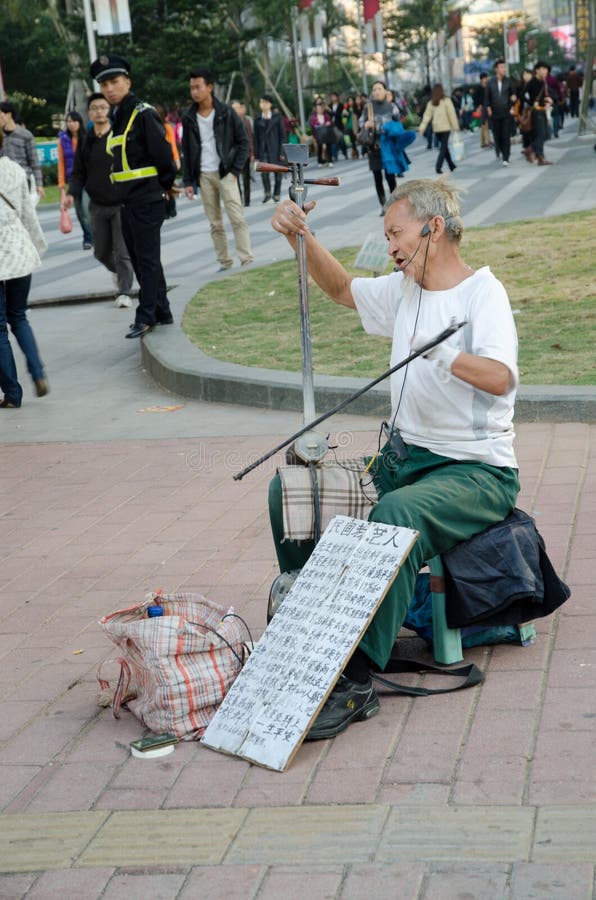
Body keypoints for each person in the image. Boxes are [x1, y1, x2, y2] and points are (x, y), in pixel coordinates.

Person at [268, 177, 519, 740]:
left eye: (396, 234)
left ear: (434, 228)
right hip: (404, 459)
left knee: (396, 516)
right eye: (386, 237)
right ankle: (314, 626)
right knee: (293, 489)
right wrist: (299, 237)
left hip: (476, 472)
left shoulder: (482, 293)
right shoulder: (404, 290)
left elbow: (501, 378)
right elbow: (341, 289)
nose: (391, 248)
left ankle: (354, 681)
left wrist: (444, 353)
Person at [90, 53, 178, 338]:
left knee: (146, 259)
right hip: (127, 201)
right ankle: (162, 310)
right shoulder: (119, 116)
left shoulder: (143, 113)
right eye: (104, 84)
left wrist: (163, 187)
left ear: (127, 81)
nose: (109, 89)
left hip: (147, 199)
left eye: (114, 81)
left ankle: (146, 315)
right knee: (142, 259)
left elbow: (164, 157)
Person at [66, 92, 134, 309]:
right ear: (89, 113)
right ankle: (121, 274)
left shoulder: (118, 136)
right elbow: (78, 173)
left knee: (122, 252)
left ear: (110, 110)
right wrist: (71, 194)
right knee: (101, 252)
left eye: (103, 107)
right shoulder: (86, 141)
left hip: (120, 203)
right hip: (97, 204)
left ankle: (124, 291)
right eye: (94, 108)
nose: (99, 112)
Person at [181, 68, 254, 272]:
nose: (194, 92)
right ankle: (224, 262)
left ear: (209, 87)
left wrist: (235, 170)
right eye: (192, 88)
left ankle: (247, 259)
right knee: (215, 223)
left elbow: (243, 142)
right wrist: (188, 181)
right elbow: (186, 151)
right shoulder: (188, 117)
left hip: (226, 172)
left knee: (237, 217)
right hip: (204, 175)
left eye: (198, 87)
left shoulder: (226, 112)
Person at [0, 156, 49, 407]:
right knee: (18, 316)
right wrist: (37, 245)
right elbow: (28, 214)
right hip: (18, 248)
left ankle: (12, 394)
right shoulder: (13, 169)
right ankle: (38, 373)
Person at [359, 81, 402, 212]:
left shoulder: (391, 106)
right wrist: (365, 124)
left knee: (390, 176)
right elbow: (361, 122)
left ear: (385, 91)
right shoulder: (368, 107)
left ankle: (393, 204)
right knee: (377, 177)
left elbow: (397, 121)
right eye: (374, 89)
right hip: (374, 147)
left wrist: (377, 125)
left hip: (388, 147)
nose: (376, 91)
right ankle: (383, 205)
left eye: (379, 89)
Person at [57, 111, 93, 248]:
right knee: (79, 211)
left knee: (86, 208)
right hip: (73, 180)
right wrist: (61, 185)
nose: (71, 124)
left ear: (79, 122)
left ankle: (91, 237)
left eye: (73, 121)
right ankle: (88, 236)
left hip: (88, 179)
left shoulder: (87, 138)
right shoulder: (63, 140)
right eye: (68, 121)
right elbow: (61, 163)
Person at [0, 101, 45, 203]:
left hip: (24, 180)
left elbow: (34, 161)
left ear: (8, 114)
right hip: (5, 182)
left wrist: (39, 185)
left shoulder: (26, 135)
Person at [418, 83, 459, 175]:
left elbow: (427, 116)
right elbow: (451, 114)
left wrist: (422, 127)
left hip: (436, 128)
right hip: (445, 127)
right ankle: (438, 166)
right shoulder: (446, 101)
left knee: (444, 147)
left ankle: (451, 165)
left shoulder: (431, 103)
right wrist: (455, 127)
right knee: (443, 147)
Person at [253, 93, 286, 202]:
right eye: (261, 102)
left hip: (276, 150)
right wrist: (256, 155)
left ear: (270, 104)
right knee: (264, 173)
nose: (263, 104)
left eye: (265, 102)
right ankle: (267, 193)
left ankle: (277, 193)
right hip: (263, 151)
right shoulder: (257, 119)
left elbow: (283, 135)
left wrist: (282, 152)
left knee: (278, 174)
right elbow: (255, 138)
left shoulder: (277, 117)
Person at [484, 59, 517, 167]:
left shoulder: (509, 81)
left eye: (504, 67)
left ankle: (506, 157)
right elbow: (487, 97)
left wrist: (513, 100)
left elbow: (513, 94)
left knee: (506, 135)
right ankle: (502, 152)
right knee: (497, 136)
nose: (504, 69)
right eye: (502, 67)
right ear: (496, 69)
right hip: (495, 113)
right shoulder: (490, 82)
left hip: (506, 112)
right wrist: (488, 108)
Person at [524, 61, 554, 167]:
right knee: (542, 134)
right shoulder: (532, 82)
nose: (545, 71)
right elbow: (522, 95)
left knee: (544, 134)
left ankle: (537, 154)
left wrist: (548, 100)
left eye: (546, 70)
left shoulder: (543, 82)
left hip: (542, 110)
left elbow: (544, 96)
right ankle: (535, 153)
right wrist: (531, 102)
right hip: (536, 112)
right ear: (537, 70)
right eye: (543, 69)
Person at [231, 100, 254, 207]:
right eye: (234, 108)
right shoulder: (228, 122)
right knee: (235, 178)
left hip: (245, 154)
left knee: (246, 178)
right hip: (233, 155)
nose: (236, 110)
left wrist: (252, 153)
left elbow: (250, 138)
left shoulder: (246, 121)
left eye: (238, 107)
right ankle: (238, 199)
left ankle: (247, 200)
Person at [309, 100, 334, 168]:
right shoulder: (313, 117)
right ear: (316, 109)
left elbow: (331, 123)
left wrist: (328, 123)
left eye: (321, 108)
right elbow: (312, 126)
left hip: (327, 134)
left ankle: (330, 161)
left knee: (328, 147)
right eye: (318, 109)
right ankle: (320, 161)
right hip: (318, 135)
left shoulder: (326, 116)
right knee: (319, 147)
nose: (320, 110)